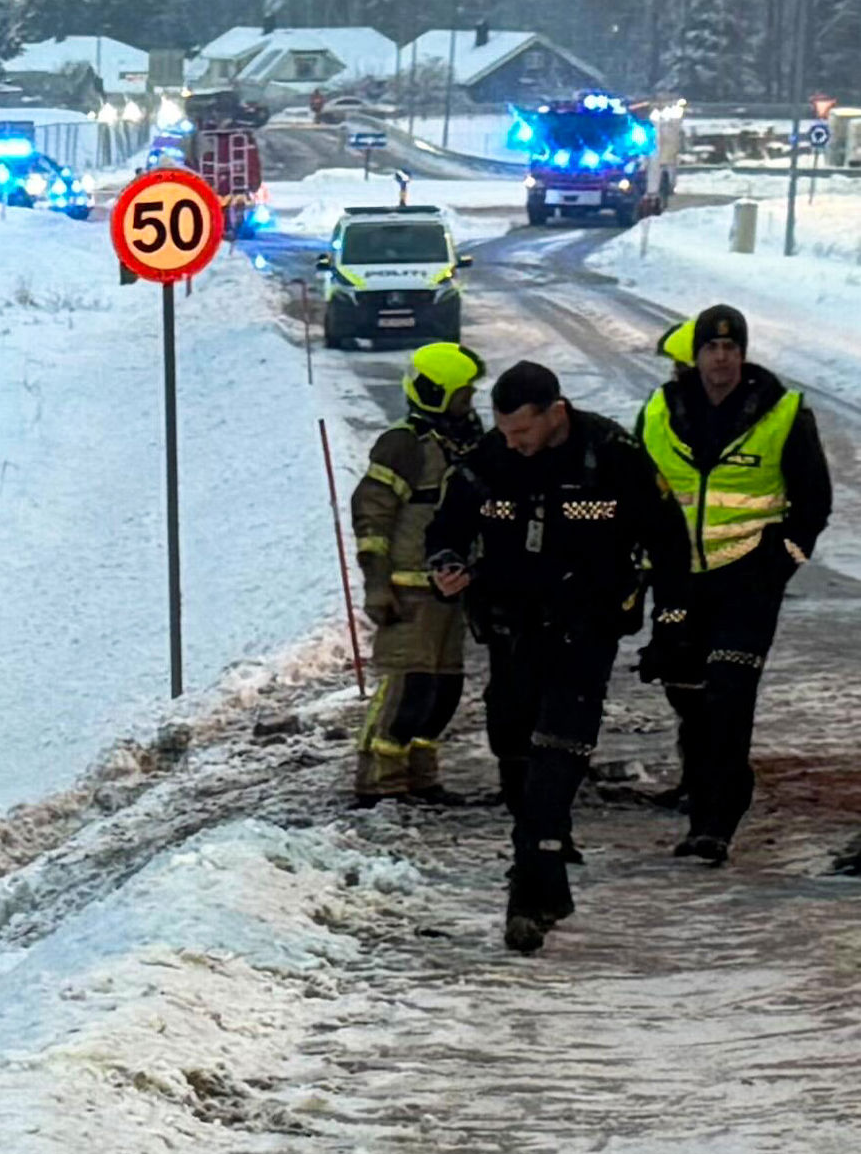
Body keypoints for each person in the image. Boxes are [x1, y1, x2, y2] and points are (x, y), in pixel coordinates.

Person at [427, 358, 690, 954]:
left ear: (556, 413)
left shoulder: (612, 453)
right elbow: (447, 524)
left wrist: (672, 622)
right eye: (506, 434)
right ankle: (544, 845)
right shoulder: (490, 459)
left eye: (523, 432)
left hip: (586, 623)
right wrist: (444, 562)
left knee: (561, 743)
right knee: (512, 738)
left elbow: (668, 539)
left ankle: (532, 881)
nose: (514, 445)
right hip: (511, 625)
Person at [633, 303, 832, 864]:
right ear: (694, 356)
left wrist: (782, 557)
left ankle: (713, 824)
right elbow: (637, 492)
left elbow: (812, 500)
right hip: (679, 583)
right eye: (712, 348)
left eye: (731, 348)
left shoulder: (782, 411)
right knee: (688, 693)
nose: (722, 358)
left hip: (748, 578)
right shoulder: (659, 410)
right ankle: (714, 785)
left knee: (728, 694)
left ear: (743, 355)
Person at [347, 341, 486, 803]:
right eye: (460, 396)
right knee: (407, 688)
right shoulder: (404, 446)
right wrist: (376, 582)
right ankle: (379, 779)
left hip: (453, 589)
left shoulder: (469, 443)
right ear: (433, 394)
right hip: (409, 592)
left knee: (444, 690)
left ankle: (421, 775)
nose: (467, 405)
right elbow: (372, 514)